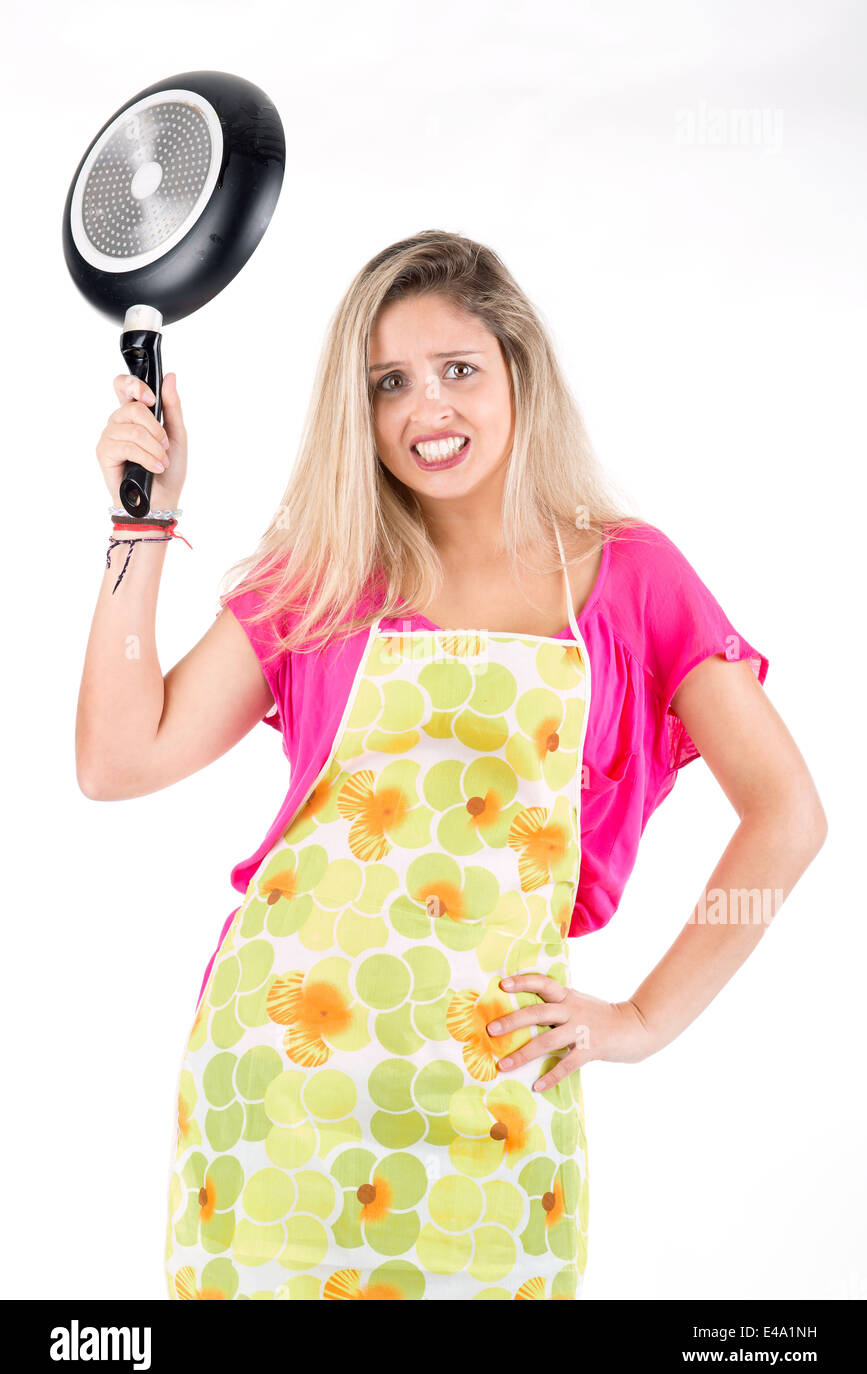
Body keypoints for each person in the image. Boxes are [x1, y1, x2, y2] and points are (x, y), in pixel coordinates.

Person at [77, 230, 827, 1302]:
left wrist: (645, 1019)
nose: (427, 410)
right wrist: (138, 523)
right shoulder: (324, 574)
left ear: (519, 369)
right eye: (390, 384)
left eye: (458, 370)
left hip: (494, 1094)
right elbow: (116, 756)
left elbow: (787, 814)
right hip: (283, 1092)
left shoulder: (630, 577)